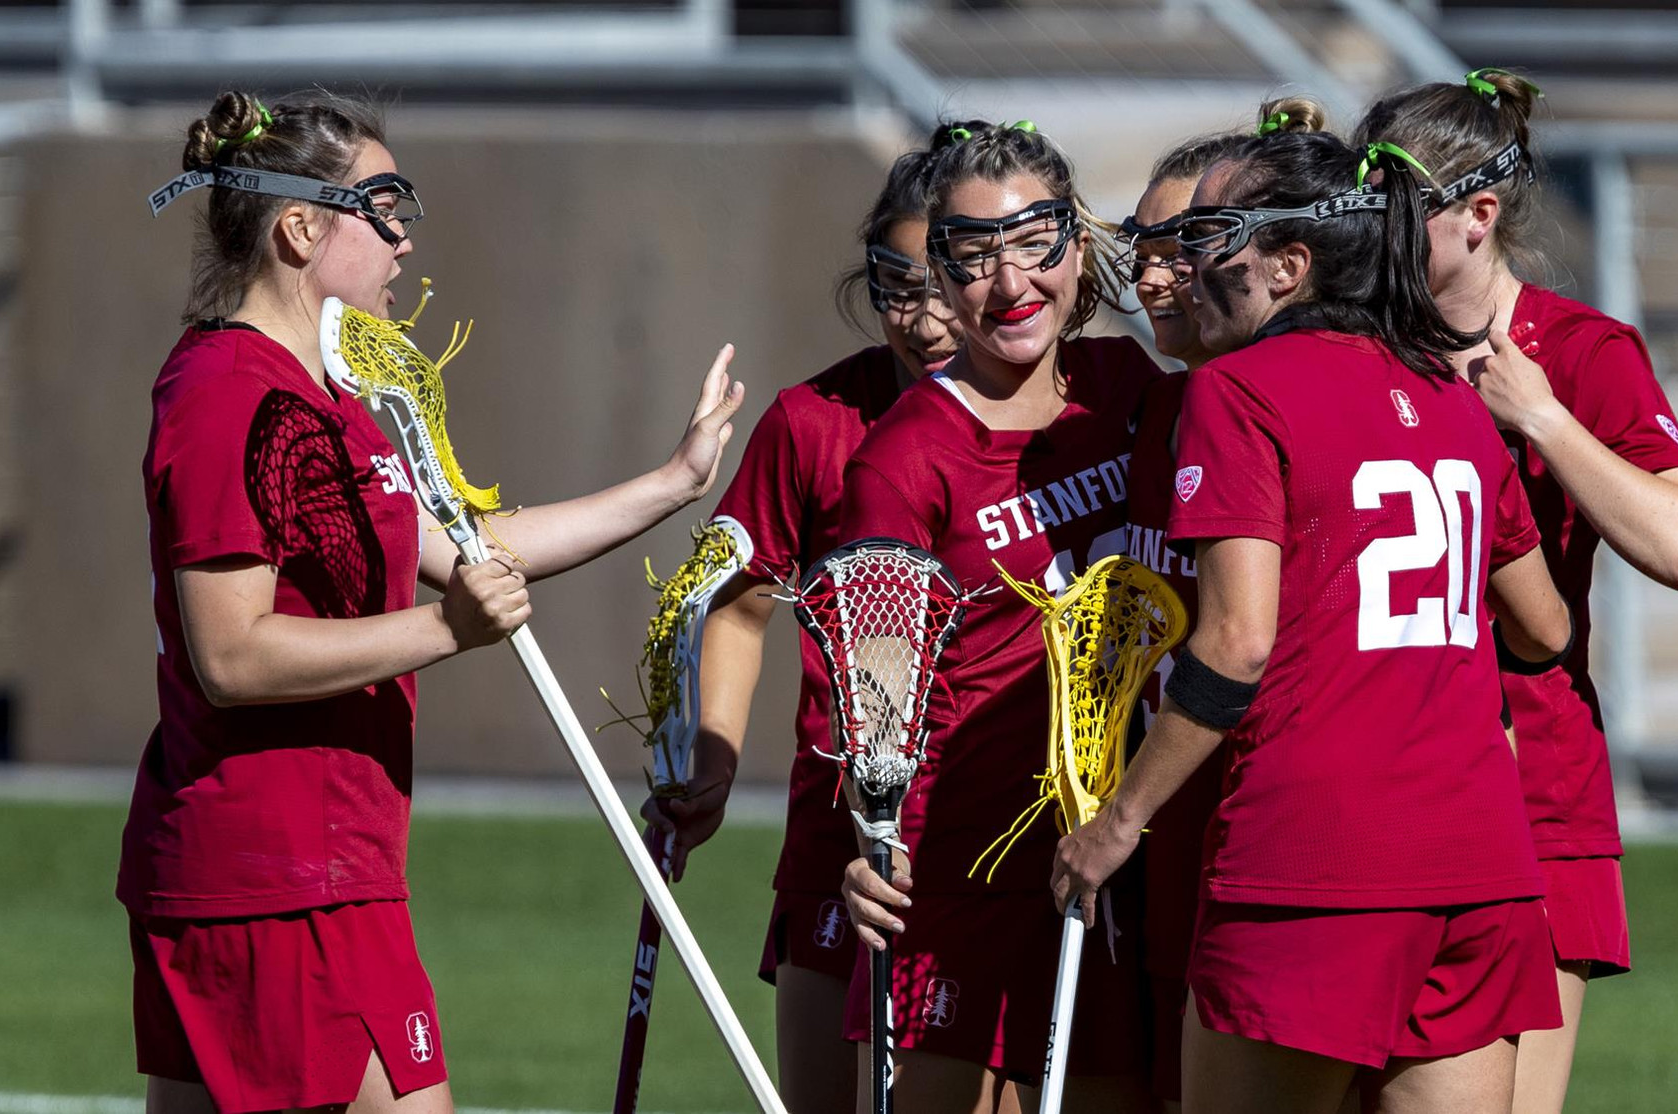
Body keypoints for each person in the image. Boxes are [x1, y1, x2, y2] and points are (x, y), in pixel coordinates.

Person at [122, 90, 744, 1114]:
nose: (405, 239)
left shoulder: (328, 397)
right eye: (382, 207)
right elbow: (230, 656)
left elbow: (464, 553)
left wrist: (673, 482)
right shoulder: (230, 395)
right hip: (280, 876)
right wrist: (444, 631)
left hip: (313, 867)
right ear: (299, 228)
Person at [1050, 128, 1575, 1113]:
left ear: (1290, 267)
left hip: (1314, 864)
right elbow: (1543, 629)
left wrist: (1116, 824)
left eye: (1210, 236)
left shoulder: (1236, 391)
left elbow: (1235, 643)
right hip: (1479, 866)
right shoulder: (1451, 395)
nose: (1184, 265)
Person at [1351, 69, 1678, 1114]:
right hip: (1378, 781)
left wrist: (1544, 418)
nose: (1371, 233)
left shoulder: (1581, 352)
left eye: (1396, 208)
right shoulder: (1356, 351)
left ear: (1479, 216)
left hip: (1532, 789)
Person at [835, 119, 1156, 1113]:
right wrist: (872, 834)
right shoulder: (903, 456)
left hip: (1125, 847)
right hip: (969, 863)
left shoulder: (1130, 389)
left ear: (1077, 245)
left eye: (1033, 242)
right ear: (939, 274)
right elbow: (879, 695)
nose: (1009, 283)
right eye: (972, 256)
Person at [640, 136, 961, 1113]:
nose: (926, 320)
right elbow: (741, 604)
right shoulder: (815, 420)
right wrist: (713, 762)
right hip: (838, 843)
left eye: (949, 284)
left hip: (993, 844)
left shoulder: (1060, 421)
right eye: (898, 286)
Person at [1116, 100, 1317, 1113]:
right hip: (1160, 849)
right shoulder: (1141, 403)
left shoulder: (1268, 404)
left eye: (1183, 247)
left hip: (1262, 839)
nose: (1158, 276)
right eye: (1143, 250)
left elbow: (1241, 640)